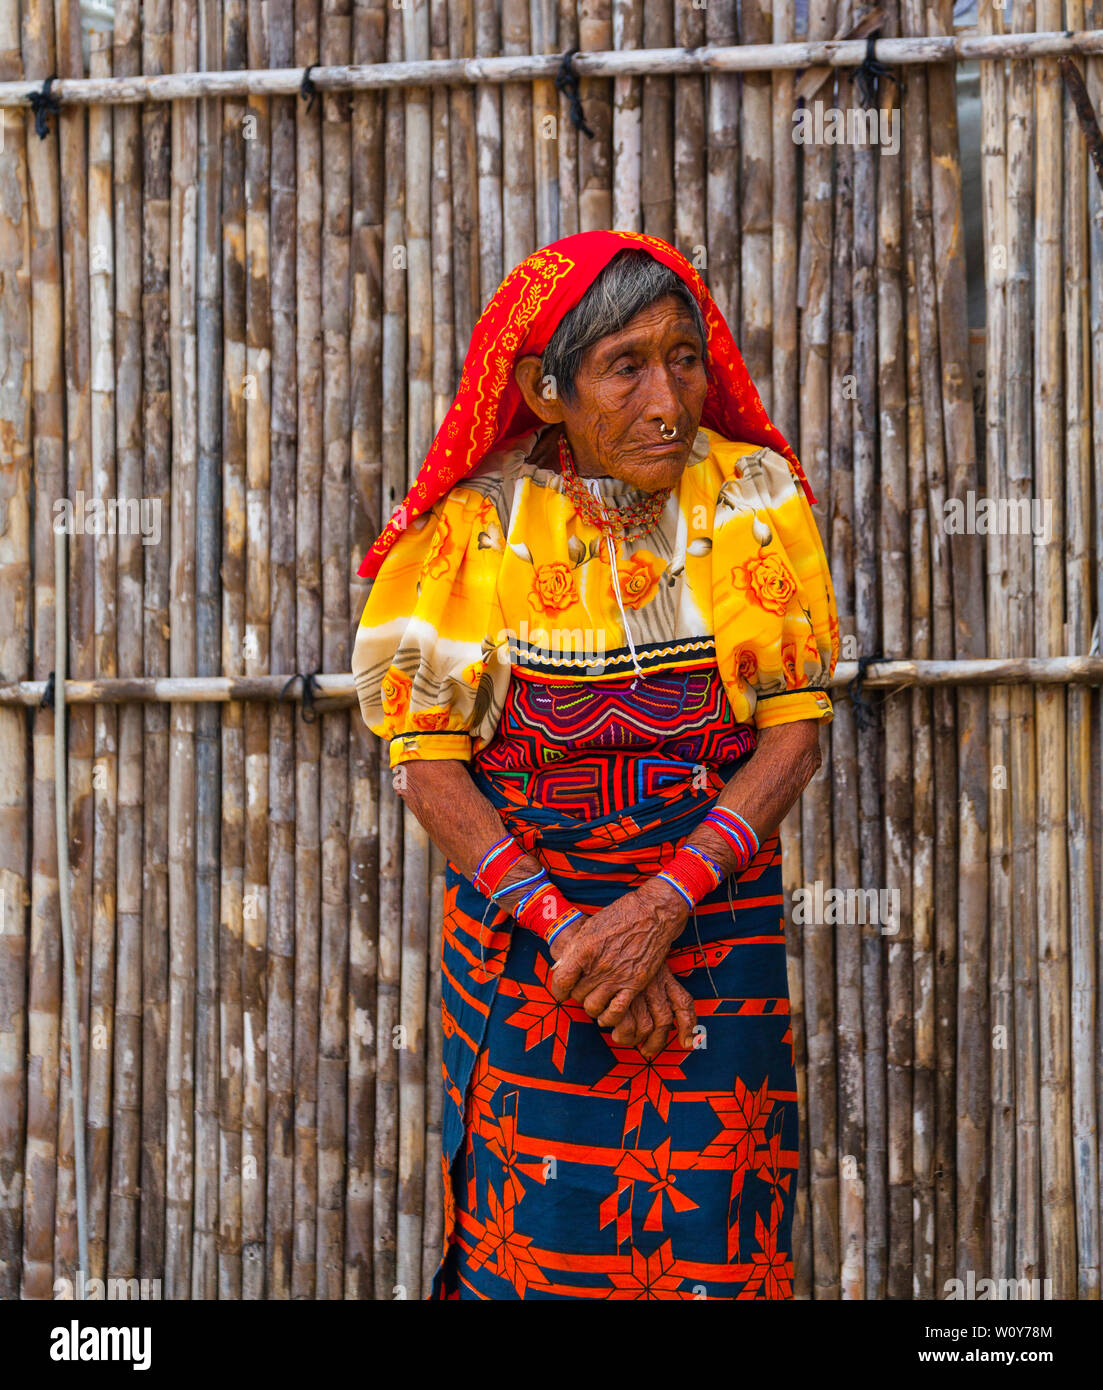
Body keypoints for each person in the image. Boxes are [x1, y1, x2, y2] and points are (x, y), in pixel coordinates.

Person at [352, 229, 838, 1300]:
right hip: (535, 958)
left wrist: (659, 907)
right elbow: (427, 765)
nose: (668, 400)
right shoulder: (475, 528)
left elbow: (793, 730)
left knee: (718, 1246)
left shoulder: (746, 494)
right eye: (626, 365)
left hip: (711, 941)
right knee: (535, 1241)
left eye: (683, 358)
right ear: (546, 386)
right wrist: (580, 937)